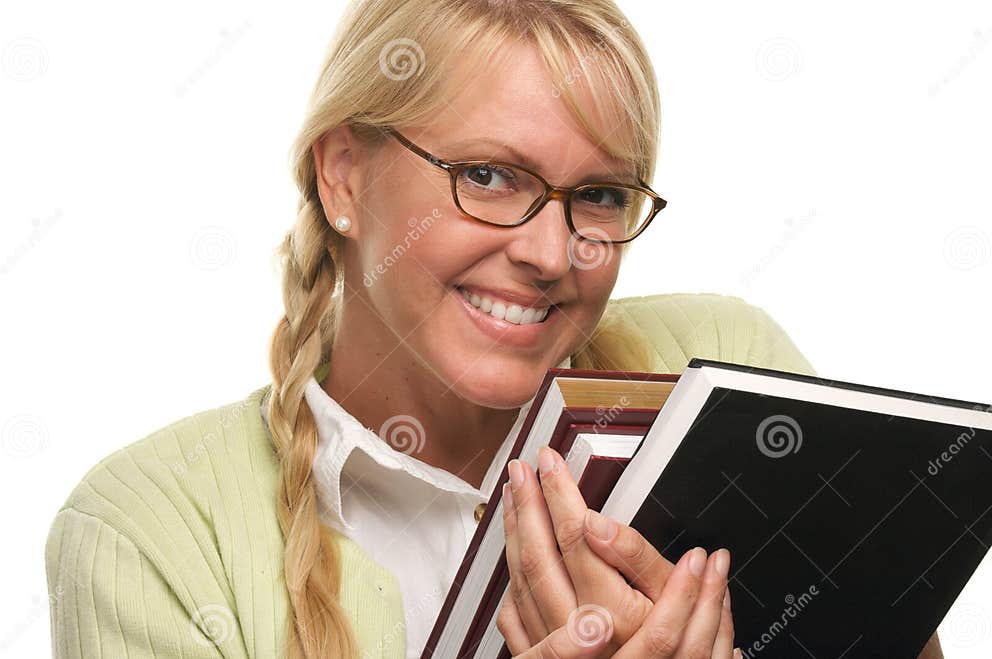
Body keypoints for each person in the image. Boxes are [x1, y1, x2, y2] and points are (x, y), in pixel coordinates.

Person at [44, 1, 943, 658]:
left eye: (598, 194)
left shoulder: (724, 366)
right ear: (345, 176)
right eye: (488, 176)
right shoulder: (148, 536)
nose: (552, 252)